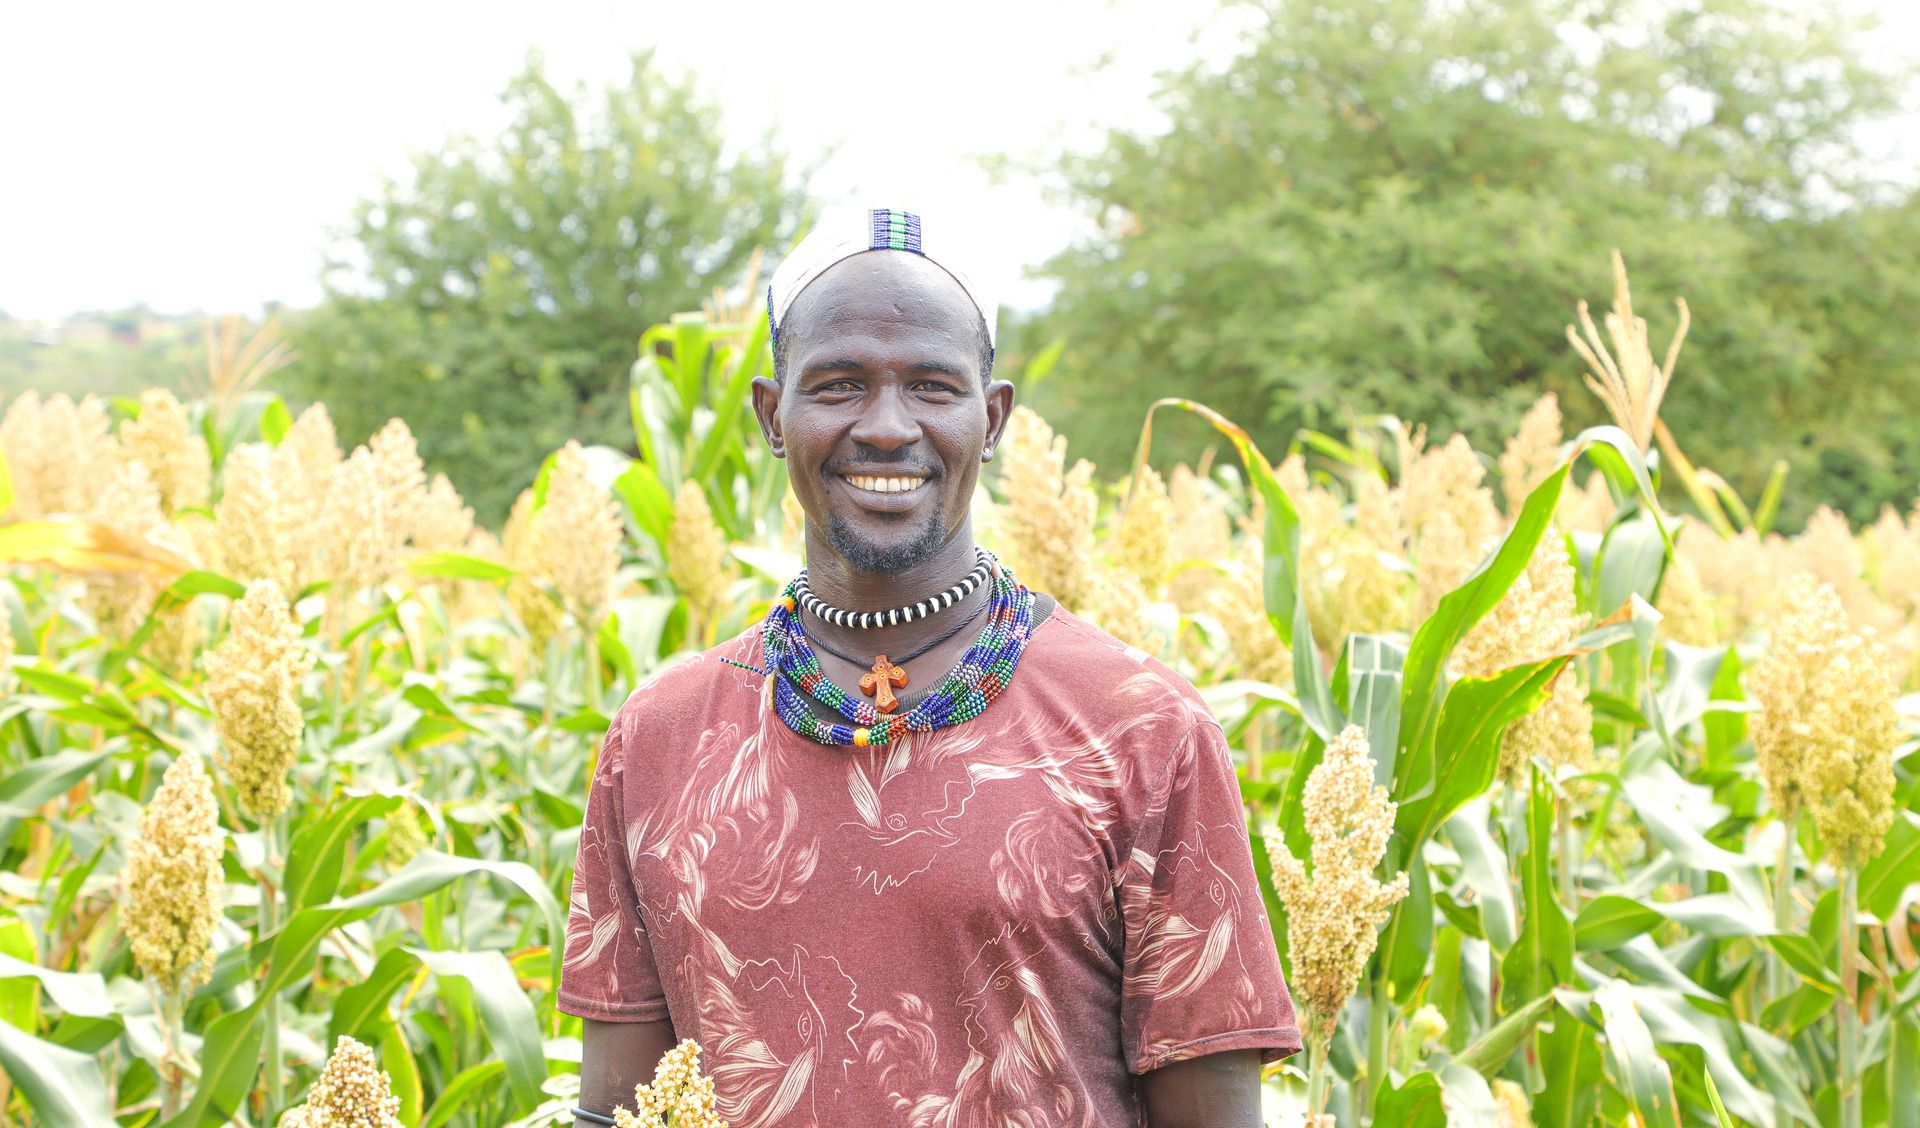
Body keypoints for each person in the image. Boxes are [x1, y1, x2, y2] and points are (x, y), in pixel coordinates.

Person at [560, 207, 1299, 1126]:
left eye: (931, 386)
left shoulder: (1141, 727)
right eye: (837, 384)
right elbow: (614, 1112)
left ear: (990, 421)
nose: (885, 427)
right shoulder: (661, 733)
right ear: (771, 416)